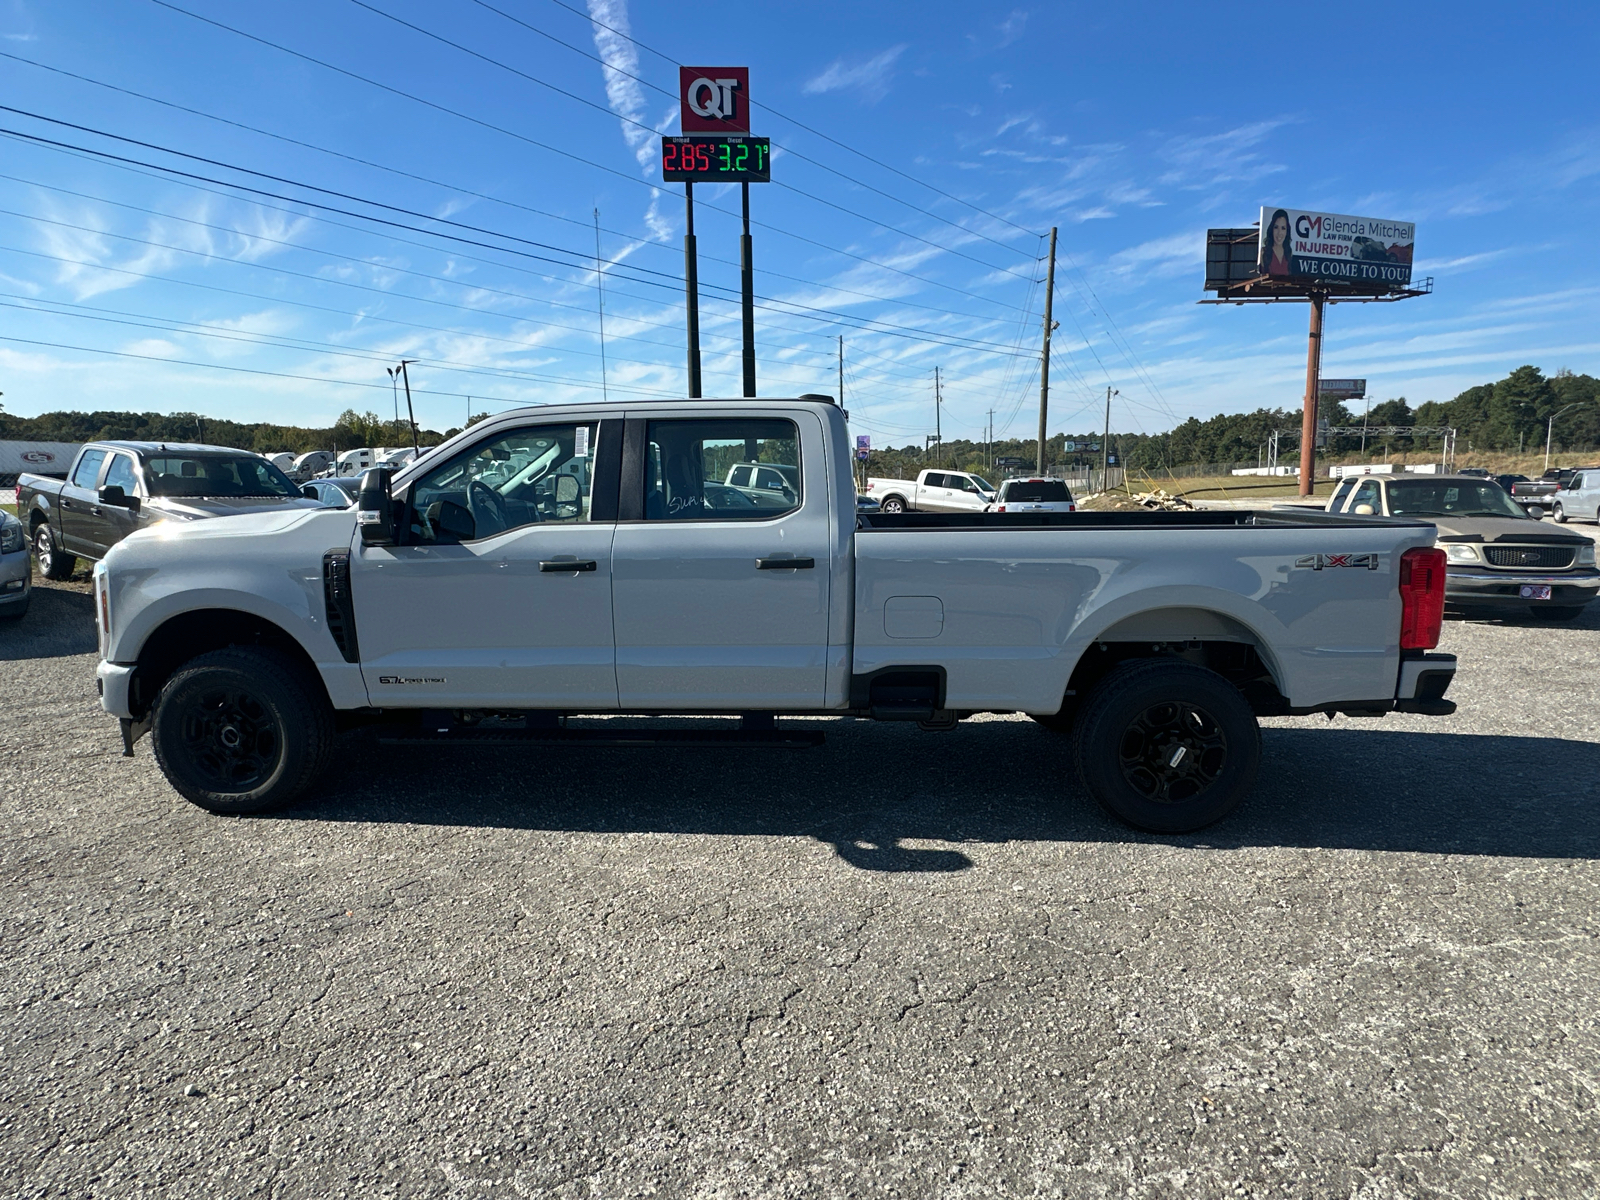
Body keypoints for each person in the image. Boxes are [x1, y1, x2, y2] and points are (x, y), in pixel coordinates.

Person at [1260, 208, 1296, 277]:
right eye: (1276, 227)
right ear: (1272, 229)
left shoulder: (1289, 253)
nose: (1279, 233)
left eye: (1283, 228)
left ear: (1287, 231)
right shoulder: (1264, 252)